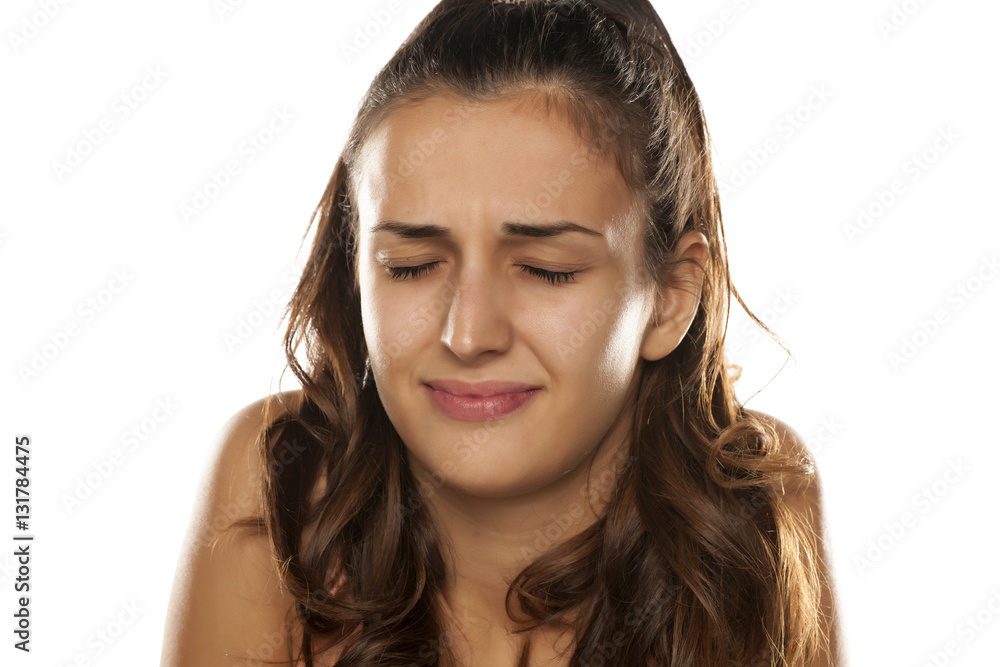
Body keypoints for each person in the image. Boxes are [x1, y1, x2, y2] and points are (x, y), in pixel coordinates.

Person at [161, 1, 842, 665]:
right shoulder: (282, 485)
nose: (468, 333)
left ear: (669, 297)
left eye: (546, 271)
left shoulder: (751, 503)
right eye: (412, 266)